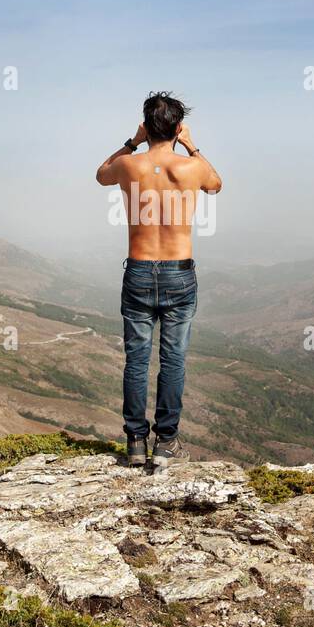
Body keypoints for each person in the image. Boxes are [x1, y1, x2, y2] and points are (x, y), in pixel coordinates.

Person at [95, 92, 222, 468]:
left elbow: (101, 174)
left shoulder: (129, 166)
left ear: (146, 126)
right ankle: (166, 443)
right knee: (174, 360)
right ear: (178, 127)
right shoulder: (191, 168)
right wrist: (192, 146)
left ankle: (135, 442)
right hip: (179, 272)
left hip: (138, 268)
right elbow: (215, 184)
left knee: (136, 359)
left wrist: (131, 142)